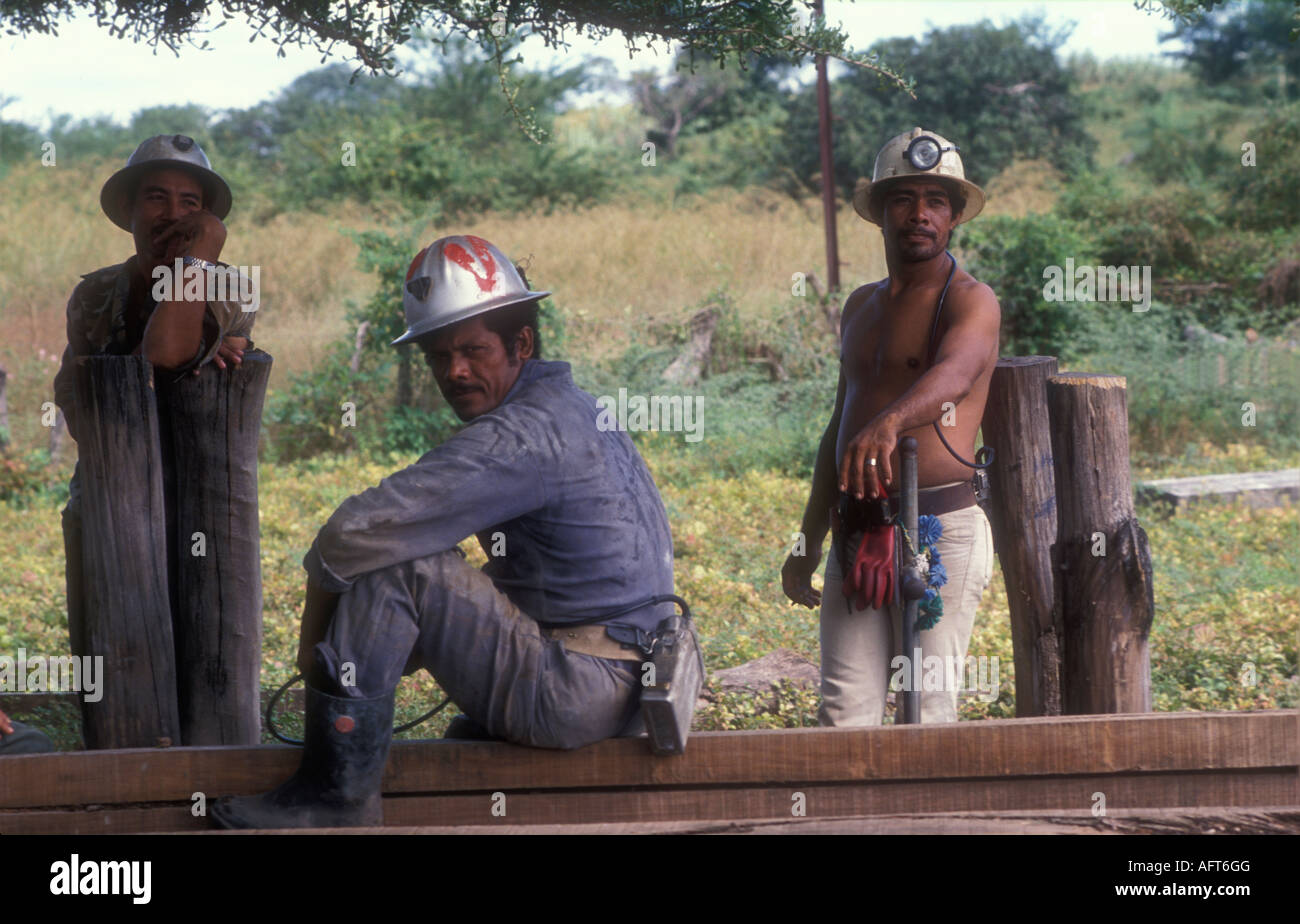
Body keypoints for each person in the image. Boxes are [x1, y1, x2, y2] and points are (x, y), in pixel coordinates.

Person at [212, 235, 677, 829]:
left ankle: (335, 801)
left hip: (580, 693)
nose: (454, 370)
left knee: (397, 566)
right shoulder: (579, 406)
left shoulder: (518, 438)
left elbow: (348, 535)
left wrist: (312, 651)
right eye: (437, 355)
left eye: (474, 350)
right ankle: (468, 732)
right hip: (630, 680)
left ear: (522, 343)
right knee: (420, 548)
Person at [782, 127, 1001, 726]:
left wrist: (891, 421)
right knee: (843, 715)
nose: (919, 214)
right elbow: (839, 428)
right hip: (857, 526)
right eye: (903, 199)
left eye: (935, 201)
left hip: (939, 528)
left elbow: (956, 373)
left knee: (926, 713)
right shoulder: (860, 305)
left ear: (954, 216)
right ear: (879, 213)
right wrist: (809, 539)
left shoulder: (971, 301)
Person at [51, 134, 257, 715]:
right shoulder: (94, 293)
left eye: (191, 204)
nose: (173, 216)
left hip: (202, 502)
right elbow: (82, 398)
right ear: (131, 212)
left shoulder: (230, 283)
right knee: (112, 656)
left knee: (209, 656)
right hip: (109, 497)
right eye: (156, 198)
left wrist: (201, 257)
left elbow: (163, 354)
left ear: (209, 217)